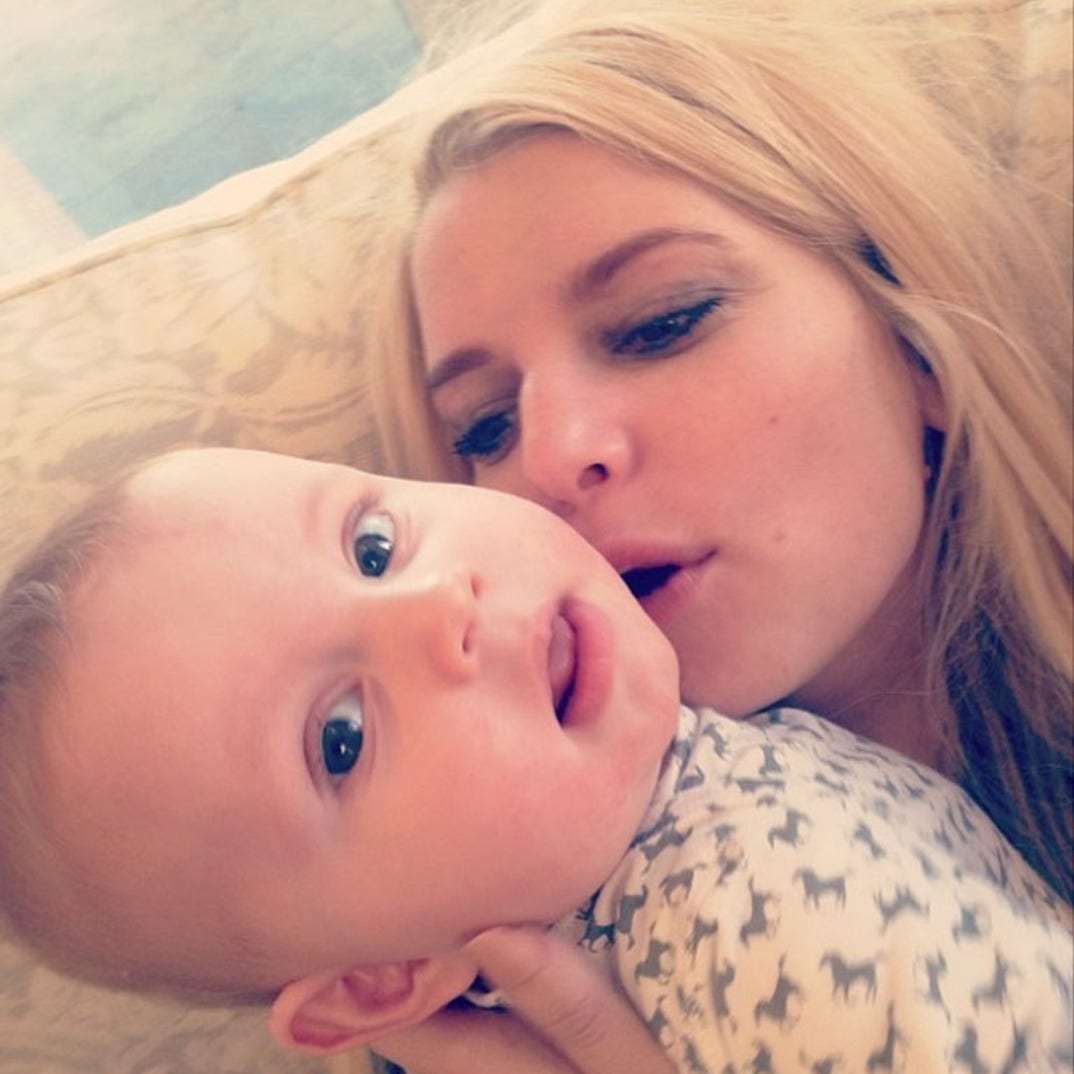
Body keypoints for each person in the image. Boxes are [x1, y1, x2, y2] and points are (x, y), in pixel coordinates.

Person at [355, 1, 1073, 1068]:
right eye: (485, 426)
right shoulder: (476, 989)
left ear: (917, 342)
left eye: (663, 321)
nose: (550, 458)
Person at [0, 447, 1069, 1074]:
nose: (438, 603)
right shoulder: (743, 920)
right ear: (382, 984)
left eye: (374, 546)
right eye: (342, 737)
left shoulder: (685, 790)